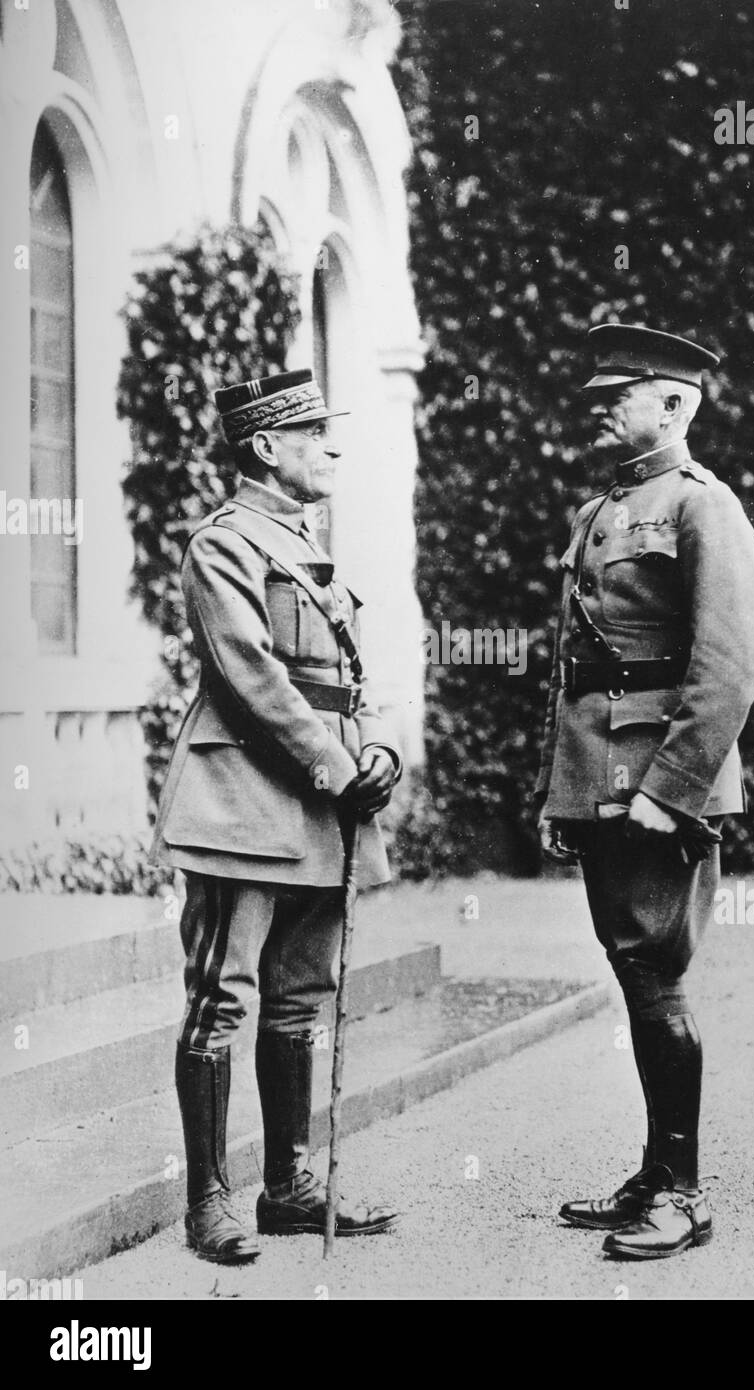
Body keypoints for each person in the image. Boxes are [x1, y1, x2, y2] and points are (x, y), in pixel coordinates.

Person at [152, 367, 400, 1263]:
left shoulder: (307, 545)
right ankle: (207, 1202)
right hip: (245, 802)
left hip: (324, 800)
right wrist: (339, 768)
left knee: (301, 998)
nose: (332, 449)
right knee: (223, 997)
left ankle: (290, 1186)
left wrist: (377, 751)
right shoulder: (223, 544)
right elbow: (249, 677)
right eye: (315, 435)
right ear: (266, 447)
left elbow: (345, 677)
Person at [536, 324, 754, 1260]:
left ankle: (684, 1192)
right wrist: (565, 795)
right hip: (602, 781)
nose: (599, 405)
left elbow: (729, 668)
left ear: (674, 405)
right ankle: (657, 1172)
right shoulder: (602, 512)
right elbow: (576, 669)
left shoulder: (706, 509)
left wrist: (669, 792)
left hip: (661, 785)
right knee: (637, 979)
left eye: (618, 392)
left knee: (657, 979)